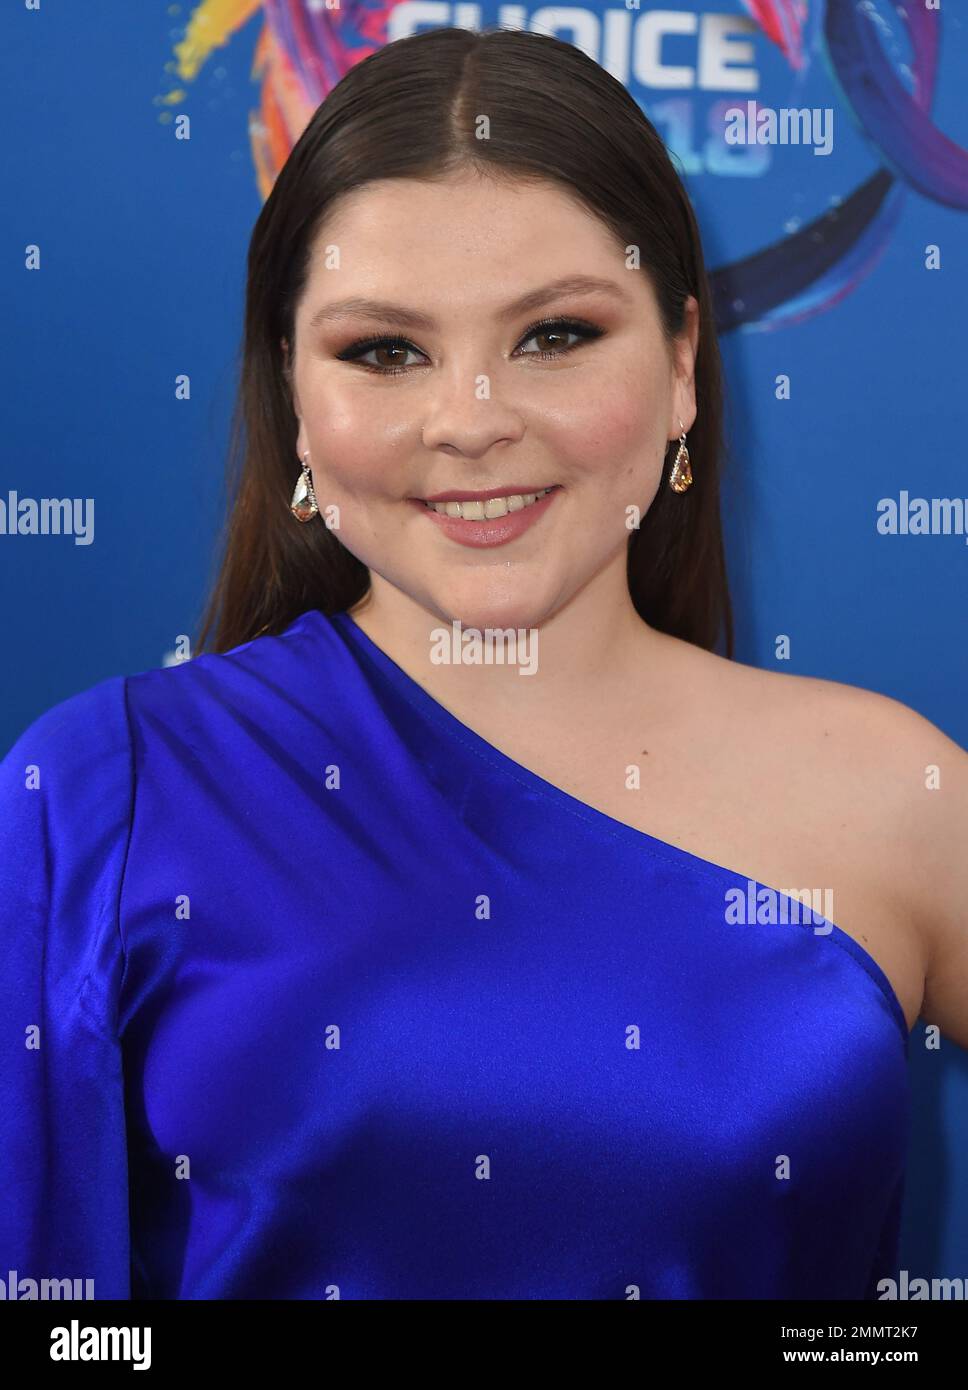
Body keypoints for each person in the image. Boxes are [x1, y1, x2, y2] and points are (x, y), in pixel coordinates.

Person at [1, 26, 965, 1302]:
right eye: (383, 351)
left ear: (681, 365)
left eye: (555, 335)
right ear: (292, 391)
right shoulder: (94, 795)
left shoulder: (896, 797)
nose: (470, 421)